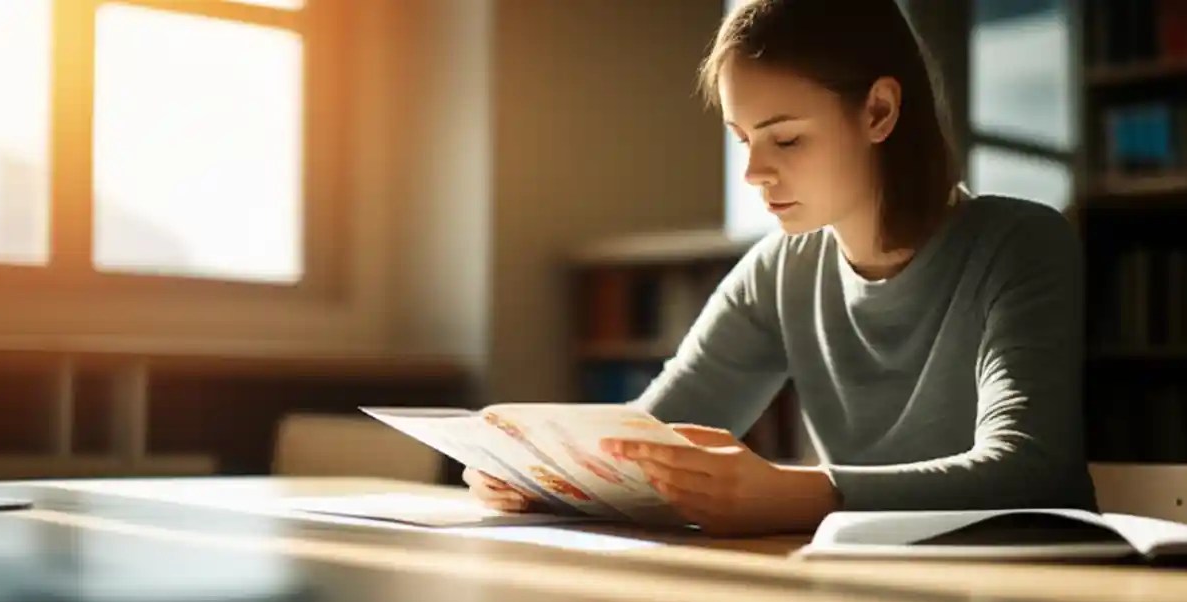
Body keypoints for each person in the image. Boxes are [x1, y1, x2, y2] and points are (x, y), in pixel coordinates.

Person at [465, 0, 1097, 535]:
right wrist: (538, 470)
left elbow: (1028, 468)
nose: (754, 173)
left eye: (787, 138)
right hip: (875, 598)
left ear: (878, 112)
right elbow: (651, 438)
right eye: (745, 140)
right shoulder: (779, 272)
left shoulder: (1021, 243)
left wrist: (797, 493)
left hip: (1033, 597)